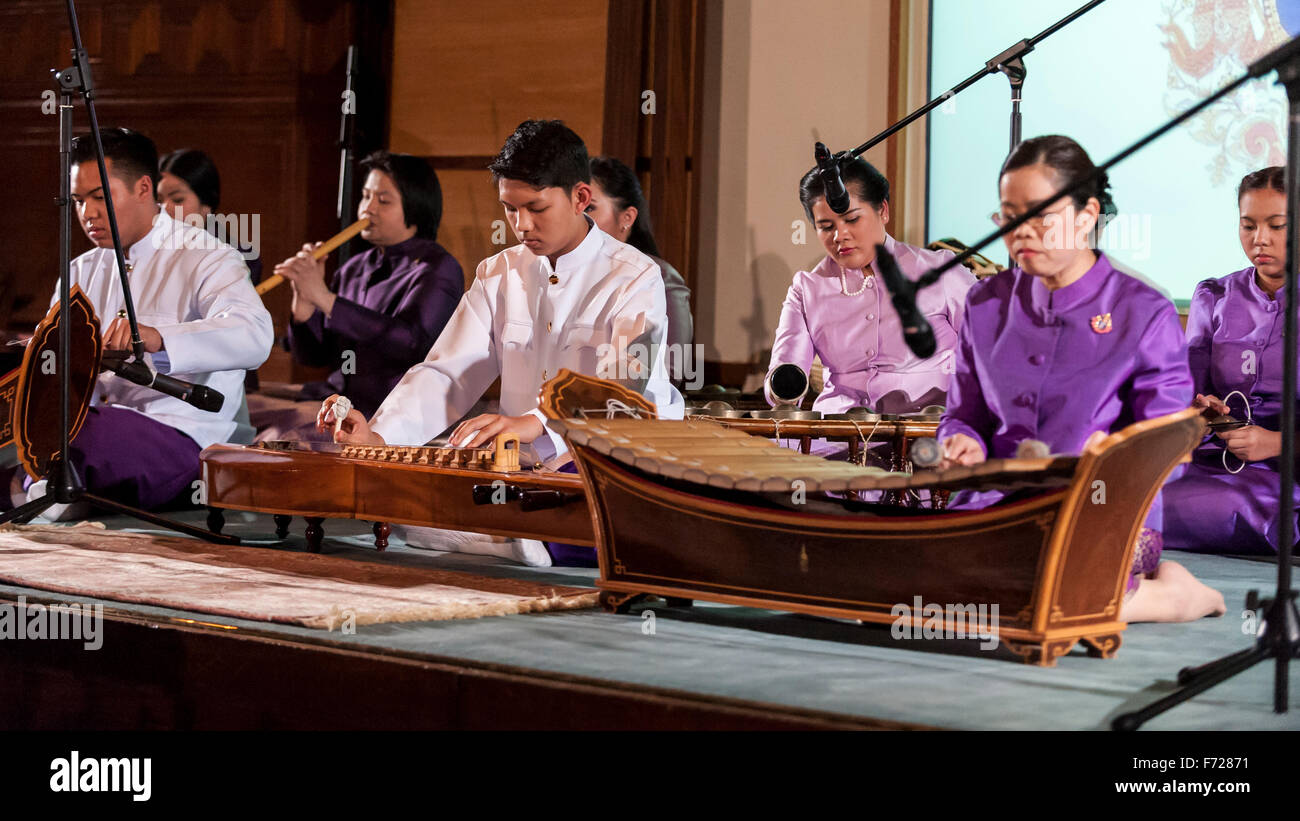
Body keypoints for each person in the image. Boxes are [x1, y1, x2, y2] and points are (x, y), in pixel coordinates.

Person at [319, 120, 683, 565]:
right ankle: (515, 534)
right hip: (521, 466)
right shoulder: (498, 272)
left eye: (535, 207)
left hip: (613, 454)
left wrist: (538, 421)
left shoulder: (634, 274)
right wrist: (380, 437)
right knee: (433, 473)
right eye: (510, 209)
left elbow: (626, 384)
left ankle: (511, 533)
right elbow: (448, 372)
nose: (521, 225)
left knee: (609, 506)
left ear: (580, 198)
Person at [937, 134, 1224, 623]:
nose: (1020, 232)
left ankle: (1183, 597)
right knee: (917, 577)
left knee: (1044, 589)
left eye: (1039, 215)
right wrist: (961, 443)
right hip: (999, 506)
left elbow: (1170, 444)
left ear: (1087, 214)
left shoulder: (1143, 310)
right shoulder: (986, 304)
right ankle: (1133, 599)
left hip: (1105, 511)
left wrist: (1112, 460)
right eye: (1007, 216)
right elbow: (963, 416)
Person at [1, 128, 273, 514]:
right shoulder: (79, 271)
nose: (87, 214)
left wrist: (159, 338)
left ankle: (42, 494)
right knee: (49, 434)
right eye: (78, 201)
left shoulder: (207, 256)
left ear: (144, 188)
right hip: (93, 426)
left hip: (182, 433)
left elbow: (255, 335)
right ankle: (45, 493)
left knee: (78, 439)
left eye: (99, 197)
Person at [251, 151, 464, 439]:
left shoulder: (439, 268)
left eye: (383, 201)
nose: (367, 209)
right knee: (239, 414)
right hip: (334, 402)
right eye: (366, 196)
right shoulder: (353, 268)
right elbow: (313, 357)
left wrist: (326, 299)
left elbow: (412, 343)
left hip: (391, 412)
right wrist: (304, 302)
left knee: (276, 440)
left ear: (416, 206)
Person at [767, 157, 974, 415]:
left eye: (852, 220)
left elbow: (994, 350)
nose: (839, 236)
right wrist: (785, 383)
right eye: (826, 227)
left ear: (883, 210)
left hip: (928, 431)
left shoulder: (941, 272)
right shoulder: (807, 289)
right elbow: (784, 368)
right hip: (838, 434)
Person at [1163, 166, 1297, 555]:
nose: (1260, 240)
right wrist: (1201, 410)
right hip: (1213, 462)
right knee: (1121, 493)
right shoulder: (1215, 295)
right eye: (1248, 226)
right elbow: (1186, 391)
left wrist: (1277, 443)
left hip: (1286, 469)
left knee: (1215, 507)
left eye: (1277, 225)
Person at [587, 156, 693, 351]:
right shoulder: (561, 271)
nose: (579, 218)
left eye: (589, 208)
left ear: (626, 217)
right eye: (573, 206)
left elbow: (672, 367)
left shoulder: (661, 277)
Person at [158, 148, 263, 283]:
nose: (165, 209)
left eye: (178, 200)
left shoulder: (240, 258)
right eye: (159, 200)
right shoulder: (143, 252)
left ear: (206, 204)